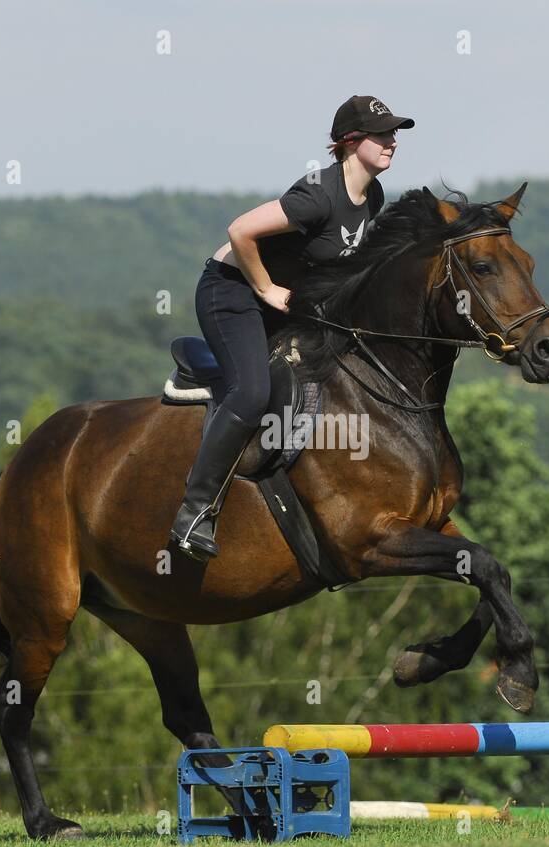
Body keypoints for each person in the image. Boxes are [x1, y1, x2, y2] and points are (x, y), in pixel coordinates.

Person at [170, 95, 414, 561]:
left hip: (289, 303)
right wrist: (264, 290)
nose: (393, 142)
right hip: (233, 293)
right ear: (350, 142)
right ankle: (195, 511)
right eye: (383, 134)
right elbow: (240, 230)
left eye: (395, 134)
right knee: (251, 392)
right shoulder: (317, 195)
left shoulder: (373, 198)